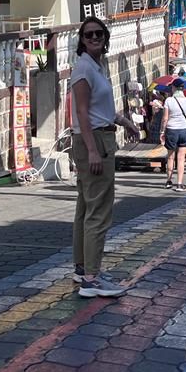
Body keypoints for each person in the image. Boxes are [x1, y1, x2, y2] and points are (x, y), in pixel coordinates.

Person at [70, 16, 139, 298]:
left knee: (86, 207)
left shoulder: (97, 67)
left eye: (99, 33)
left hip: (101, 134)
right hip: (94, 139)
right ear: (82, 40)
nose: (95, 38)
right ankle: (92, 279)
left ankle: (82, 268)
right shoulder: (83, 69)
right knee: (99, 210)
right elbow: (82, 114)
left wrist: (126, 122)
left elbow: (103, 109)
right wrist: (93, 150)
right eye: (89, 35)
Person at [161, 78, 186, 193]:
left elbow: (165, 118)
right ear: (183, 89)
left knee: (170, 157)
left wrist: (162, 132)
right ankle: (180, 184)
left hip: (171, 130)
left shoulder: (169, 101)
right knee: (181, 158)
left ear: (174, 88)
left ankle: (168, 181)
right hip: (184, 130)